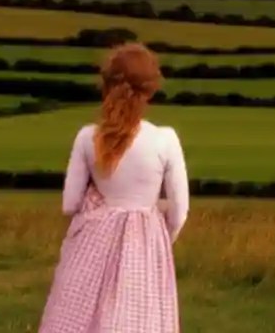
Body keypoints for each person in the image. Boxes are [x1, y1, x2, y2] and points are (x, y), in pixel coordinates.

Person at [39, 43, 189, 333]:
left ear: (106, 85)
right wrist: (156, 240)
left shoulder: (87, 137)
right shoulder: (165, 140)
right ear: (150, 89)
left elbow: (70, 204)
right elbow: (180, 212)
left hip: (91, 244)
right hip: (146, 244)